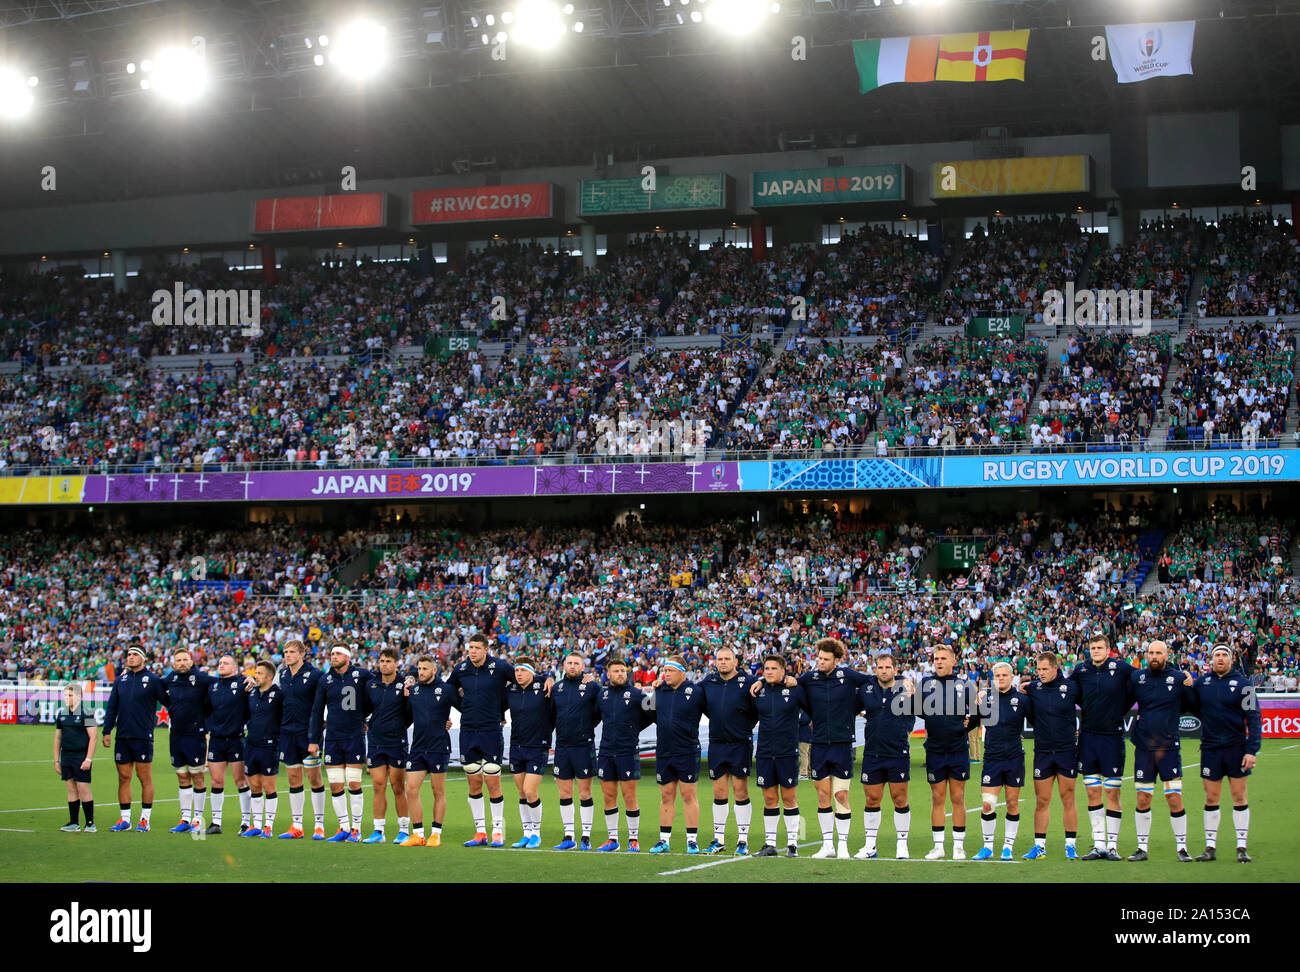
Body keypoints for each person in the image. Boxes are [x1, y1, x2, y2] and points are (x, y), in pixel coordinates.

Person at [759, 637, 870, 859]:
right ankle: (827, 845)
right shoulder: (809, 678)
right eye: (818, 657)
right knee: (822, 795)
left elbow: (872, 682)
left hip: (842, 744)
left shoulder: (848, 676)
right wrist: (761, 682)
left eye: (825, 659)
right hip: (818, 744)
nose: (820, 661)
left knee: (840, 794)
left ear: (837, 660)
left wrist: (854, 708)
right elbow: (783, 682)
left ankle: (843, 846)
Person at [448, 633, 543, 848]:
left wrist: (545, 678)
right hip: (468, 731)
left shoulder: (500, 667)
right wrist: (461, 706)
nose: (472, 651)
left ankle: (498, 831)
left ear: (485, 649)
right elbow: (448, 690)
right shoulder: (461, 669)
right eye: (470, 647)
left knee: (492, 782)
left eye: (476, 648)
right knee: (473, 784)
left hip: (491, 730)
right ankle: (480, 832)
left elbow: (523, 678)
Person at [1127, 639, 1196, 862]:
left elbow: (1191, 704)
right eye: (1151, 653)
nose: (1154, 656)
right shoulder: (1138, 678)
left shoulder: (1177, 679)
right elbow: (1122, 702)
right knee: (1143, 799)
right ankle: (1141, 848)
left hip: (1168, 749)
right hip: (1145, 750)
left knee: (1174, 797)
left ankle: (1182, 848)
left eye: (1159, 653)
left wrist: (1190, 685)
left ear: (1167, 655)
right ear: (1146, 655)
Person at [1191, 645, 1262, 863]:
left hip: (1236, 748)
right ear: (1211, 659)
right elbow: (1191, 705)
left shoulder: (1244, 685)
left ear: (1231, 659)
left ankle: (1241, 847)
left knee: (1239, 797)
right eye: (1217, 655)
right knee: (1211, 797)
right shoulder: (1202, 684)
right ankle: (1210, 847)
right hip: (1210, 748)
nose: (1220, 659)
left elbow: (1254, 718)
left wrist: (1252, 751)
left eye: (1224, 655)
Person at [1069, 631, 1131, 860]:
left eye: (1099, 648)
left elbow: (1143, 681)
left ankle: (1112, 846)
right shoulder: (1081, 670)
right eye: (1092, 648)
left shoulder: (1121, 668)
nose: (1095, 651)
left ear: (1108, 650)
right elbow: (1067, 691)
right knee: (1093, 791)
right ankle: (1099, 844)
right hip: (1088, 738)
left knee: (1112, 791)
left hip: (1112, 738)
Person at [309, 645, 374, 842]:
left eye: (337, 654)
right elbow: (317, 710)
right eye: (332, 654)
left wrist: (365, 718)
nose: (333, 657)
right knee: (335, 784)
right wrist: (313, 740)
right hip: (333, 737)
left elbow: (376, 696)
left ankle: (356, 829)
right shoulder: (325, 679)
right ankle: (343, 827)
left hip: (353, 735)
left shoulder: (362, 675)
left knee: (353, 782)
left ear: (347, 656)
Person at [919, 645, 978, 860]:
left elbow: (979, 712)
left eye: (943, 658)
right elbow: (918, 709)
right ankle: (938, 846)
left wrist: (967, 725)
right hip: (934, 750)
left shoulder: (965, 685)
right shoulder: (926, 684)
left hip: (957, 750)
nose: (939, 662)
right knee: (937, 798)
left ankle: (959, 847)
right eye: (936, 659)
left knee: (958, 798)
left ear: (953, 661)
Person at [1021, 651, 1081, 860]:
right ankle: (1039, 847)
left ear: (1056, 668)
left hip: (1066, 751)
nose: (1042, 673)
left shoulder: (1071, 687)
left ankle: (1070, 846)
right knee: (1042, 800)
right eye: (1039, 669)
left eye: (1045, 669)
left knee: (1068, 798)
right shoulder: (1033, 688)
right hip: (1043, 752)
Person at [102, 645, 168, 833]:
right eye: (128, 655)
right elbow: (112, 708)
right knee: (123, 778)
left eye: (134, 655)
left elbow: (169, 701)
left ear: (143, 658)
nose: (130, 658)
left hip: (143, 737)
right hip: (122, 736)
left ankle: (144, 820)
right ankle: (125, 819)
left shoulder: (153, 680)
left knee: (144, 777)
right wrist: (106, 731)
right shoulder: (120, 680)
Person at [699, 646, 758, 855]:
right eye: (719, 658)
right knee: (719, 792)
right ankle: (719, 839)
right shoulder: (708, 683)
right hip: (716, 743)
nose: (722, 662)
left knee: (740, 791)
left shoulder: (749, 682)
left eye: (727, 658)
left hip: (740, 743)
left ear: (735, 662)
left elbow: (757, 709)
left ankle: (743, 840)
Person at [856, 652, 914, 860]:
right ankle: (870, 845)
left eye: (887, 667)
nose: (883, 671)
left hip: (897, 752)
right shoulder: (867, 689)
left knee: (899, 799)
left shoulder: (905, 689)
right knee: (872, 799)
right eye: (880, 667)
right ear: (875, 670)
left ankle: (902, 844)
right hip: (872, 753)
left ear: (895, 669)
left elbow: (919, 712)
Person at [646, 656, 707, 854]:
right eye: (665, 670)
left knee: (688, 795)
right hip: (664, 751)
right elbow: (650, 714)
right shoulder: (659, 690)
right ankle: (664, 840)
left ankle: (692, 840)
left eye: (670, 670)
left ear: (682, 672)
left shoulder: (696, 691)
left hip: (687, 750)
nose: (666, 674)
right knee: (666, 796)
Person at [400, 655, 459, 847]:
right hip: (417, 747)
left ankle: (436, 833)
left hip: (438, 747)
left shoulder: (447, 690)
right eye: (419, 669)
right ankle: (418, 834)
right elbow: (407, 717)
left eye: (425, 669)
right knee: (411, 789)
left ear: (434, 670)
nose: (421, 672)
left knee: (438, 791)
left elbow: (466, 707)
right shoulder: (413, 690)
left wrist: (448, 722)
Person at [972, 662, 1029, 861]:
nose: (1001, 678)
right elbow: (969, 722)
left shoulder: (1022, 700)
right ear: (993, 679)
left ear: (1012, 677)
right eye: (997, 676)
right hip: (992, 759)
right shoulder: (984, 699)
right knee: (988, 805)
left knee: (1012, 803)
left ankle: (1008, 847)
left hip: (1014, 758)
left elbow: (1040, 721)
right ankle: (987, 846)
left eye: (1004, 675)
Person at [594, 657, 651, 852]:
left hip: (627, 751)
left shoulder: (637, 694)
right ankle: (613, 840)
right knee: (609, 795)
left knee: (629, 796)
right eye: (616, 671)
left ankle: (633, 839)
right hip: (606, 751)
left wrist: (634, 728)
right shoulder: (602, 695)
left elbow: (653, 715)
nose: (620, 674)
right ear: (608, 674)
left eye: (622, 671)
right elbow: (594, 717)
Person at [750, 655, 804, 857]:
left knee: (789, 798)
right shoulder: (758, 691)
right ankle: (770, 844)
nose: (769, 671)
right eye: (766, 668)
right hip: (764, 752)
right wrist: (761, 681)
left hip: (787, 752)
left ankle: (792, 845)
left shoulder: (794, 690)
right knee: (769, 798)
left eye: (774, 668)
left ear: (783, 671)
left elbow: (808, 710)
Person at [275, 639, 328, 840]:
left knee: (314, 778)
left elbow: (321, 704)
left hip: (308, 734)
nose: (287, 655)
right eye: (285, 652)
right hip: (288, 732)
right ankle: (296, 825)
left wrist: (317, 731)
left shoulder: (315, 675)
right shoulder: (283, 674)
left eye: (291, 652)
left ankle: (319, 825)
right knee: (293, 779)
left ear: (301, 654)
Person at [361, 647, 412, 844]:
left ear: (396, 663)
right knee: (378, 785)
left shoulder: (404, 684)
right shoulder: (371, 684)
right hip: (375, 741)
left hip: (396, 741)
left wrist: (399, 727)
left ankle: (403, 830)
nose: (384, 664)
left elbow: (410, 712)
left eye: (388, 661)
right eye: (382, 661)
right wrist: (369, 723)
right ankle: (378, 830)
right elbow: (364, 708)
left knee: (398, 786)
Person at [551, 651, 600, 850]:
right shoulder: (556, 688)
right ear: (564, 666)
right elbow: (552, 715)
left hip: (583, 746)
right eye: (569, 663)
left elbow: (598, 713)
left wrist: (585, 727)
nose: (572, 666)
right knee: (564, 794)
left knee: (585, 793)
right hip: (562, 747)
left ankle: (586, 837)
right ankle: (568, 836)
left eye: (576, 663)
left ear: (583, 666)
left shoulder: (592, 687)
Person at [162, 647, 214, 834]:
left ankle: (198, 818)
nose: (183, 663)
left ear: (191, 662)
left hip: (195, 735)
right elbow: (155, 687)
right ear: (173, 664)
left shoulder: (201, 678)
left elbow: (221, 683)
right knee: (182, 776)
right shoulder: (170, 680)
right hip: (176, 735)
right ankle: (184, 819)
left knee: (197, 776)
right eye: (179, 660)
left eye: (186, 660)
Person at [505, 657, 554, 849]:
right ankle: (526, 833)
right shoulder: (510, 690)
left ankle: (536, 833)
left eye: (522, 670)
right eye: (516, 671)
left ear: (531, 672)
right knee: (521, 793)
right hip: (516, 746)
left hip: (537, 746)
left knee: (530, 790)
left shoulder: (543, 686)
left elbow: (549, 682)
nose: (518, 674)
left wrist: (548, 678)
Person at [203, 654, 252, 836]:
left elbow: (249, 709)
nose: (221, 665)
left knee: (241, 781)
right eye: (220, 662)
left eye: (225, 663)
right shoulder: (213, 687)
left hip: (236, 739)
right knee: (216, 781)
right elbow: (207, 710)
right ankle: (216, 822)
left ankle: (246, 822)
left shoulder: (243, 684)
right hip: (216, 739)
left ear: (235, 667)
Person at [242, 660, 284, 838]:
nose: (255, 676)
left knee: (268, 786)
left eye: (259, 673)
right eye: (255, 673)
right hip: (251, 744)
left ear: (269, 676)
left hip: (269, 745)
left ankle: (268, 826)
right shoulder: (251, 693)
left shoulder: (279, 695)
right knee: (255, 786)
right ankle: (257, 824)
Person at [54, 683, 97, 833]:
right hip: (66, 757)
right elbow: (58, 738)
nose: (67, 698)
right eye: (65, 695)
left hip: (81, 756)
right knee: (71, 789)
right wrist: (56, 760)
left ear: (79, 696)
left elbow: (93, 737)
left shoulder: (88, 713)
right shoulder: (62, 714)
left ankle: (90, 824)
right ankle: (74, 823)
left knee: (83, 788)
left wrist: (88, 759)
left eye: (70, 695)